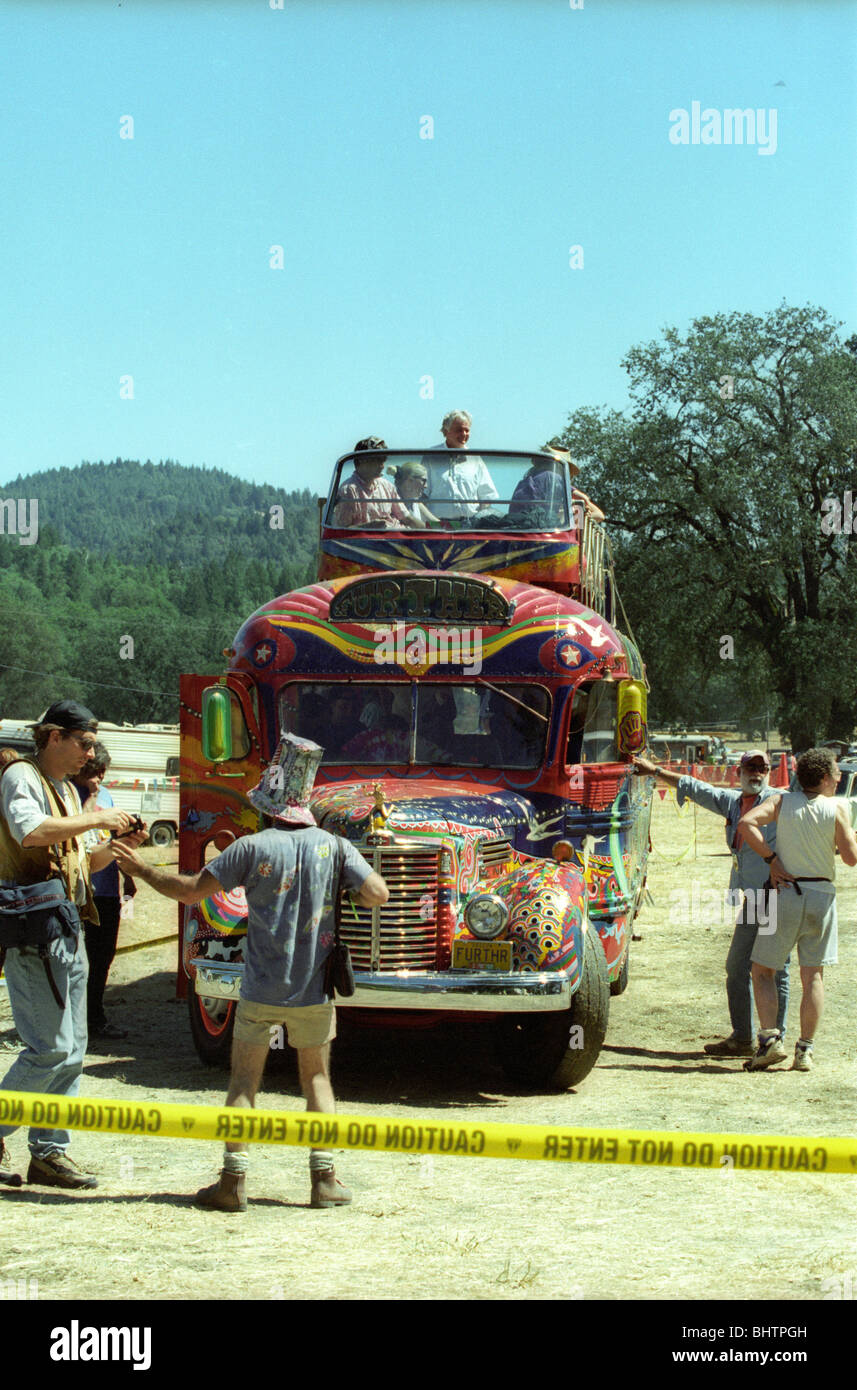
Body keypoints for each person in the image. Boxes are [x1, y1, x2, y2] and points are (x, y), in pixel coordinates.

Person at [113, 732, 389, 1212]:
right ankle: (324, 1180)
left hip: (260, 988)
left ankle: (232, 1183)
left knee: (243, 1082)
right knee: (317, 1080)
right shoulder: (335, 847)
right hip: (314, 990)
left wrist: (141, 870)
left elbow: (188, 892)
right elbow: (378, 894)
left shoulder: (249, 848)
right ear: (304, 805)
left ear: (268, 806)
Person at [0, 701, 142, 1189]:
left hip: (66, 927)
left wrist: (120, 847)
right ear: (54, 736)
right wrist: (94, 817)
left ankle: (49, 1152)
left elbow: (82, 865)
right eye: (84, 742)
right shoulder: (23, 776)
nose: (91, 752)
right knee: (49, 1049)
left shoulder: (61, 788)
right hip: (36, 932)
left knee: (73, 1050)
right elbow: (32, 833)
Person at [632, 749, 789, 1057]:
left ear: (769, 772)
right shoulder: (732, 802)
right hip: (753, 897)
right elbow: (695, 787)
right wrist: (655, 772)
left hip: (775, 896)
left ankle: (775, 1041)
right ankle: (744, 1038)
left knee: (776, 969)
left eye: (763, 767)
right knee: (737, 967)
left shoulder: (780, 801)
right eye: (751, 766)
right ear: (739, 770)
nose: (756, 772)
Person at [738, 747, 857, 1072]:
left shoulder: (782, 801)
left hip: (788, 892)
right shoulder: (837, 809)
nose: (839, 777)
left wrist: (772, 859)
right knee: (813, 975)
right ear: (822, 777)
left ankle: (769, 1040)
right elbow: (851, 858)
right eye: (835, 773)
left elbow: (747, 823)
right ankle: (804, 1050)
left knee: (762, 971)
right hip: (822, 895)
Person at [71, 742, 135, 1041]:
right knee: (78, 961)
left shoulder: (106, 795)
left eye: (101, 774)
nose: (96, 780)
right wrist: (91, 800)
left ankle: (95, 1017)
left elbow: (112, 839)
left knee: (103, 956)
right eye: (91, 773)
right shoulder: (69, 794)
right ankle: (75, 1021)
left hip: (108, 890)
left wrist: (128, 876)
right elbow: (77, 834)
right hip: (81, 891)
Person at [424, 411, 499, 519]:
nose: (464, 434)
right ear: (446, 432)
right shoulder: (431, 456)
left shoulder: (475, 459)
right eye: (459, 430)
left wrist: (479, 523)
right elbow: (421, 495)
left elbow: (486, 496)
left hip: (469, 527)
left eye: (467, 430)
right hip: (438, 526)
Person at [331, 437, 412, 529]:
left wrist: (430, 528)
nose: (382, 466)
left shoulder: (387, 486)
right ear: (362, 461)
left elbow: (407, 518)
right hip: (366, 542)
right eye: (378, 460)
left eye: (383, 460)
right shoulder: (348, 491)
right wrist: (370, 527)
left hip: (398, 538)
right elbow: (340, 532)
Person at [390, 460, 441, 527]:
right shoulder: (392, 504)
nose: (426, 486)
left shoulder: (415, 502)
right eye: (424, 481)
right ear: (410, 480)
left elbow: (436, 523)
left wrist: (457, 527)